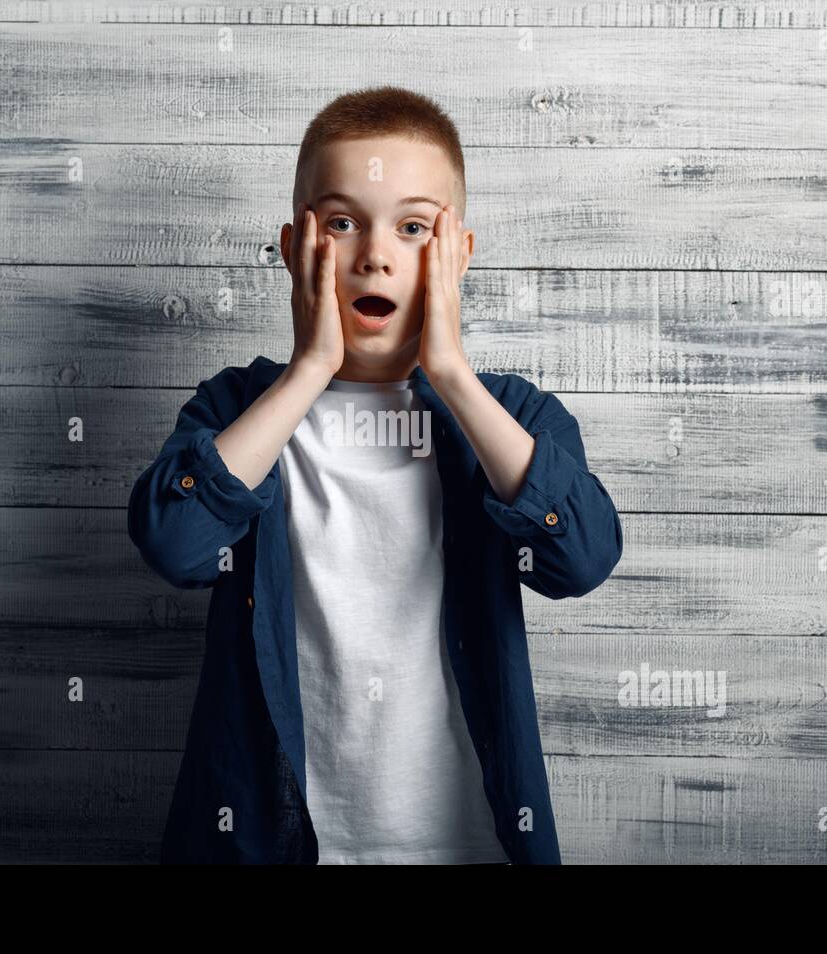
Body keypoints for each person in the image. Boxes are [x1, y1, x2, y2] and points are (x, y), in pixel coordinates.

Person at [128, 86, 623, 864]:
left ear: (457, 253)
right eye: (344, 222)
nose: (376, 254)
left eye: (415, 227)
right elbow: (175, 543)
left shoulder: (513, 415)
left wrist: (453, 374)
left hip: (466, 842)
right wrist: (310, 370)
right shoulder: (236, 408)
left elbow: (582, 558)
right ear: (295, 249)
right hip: (273, 841)